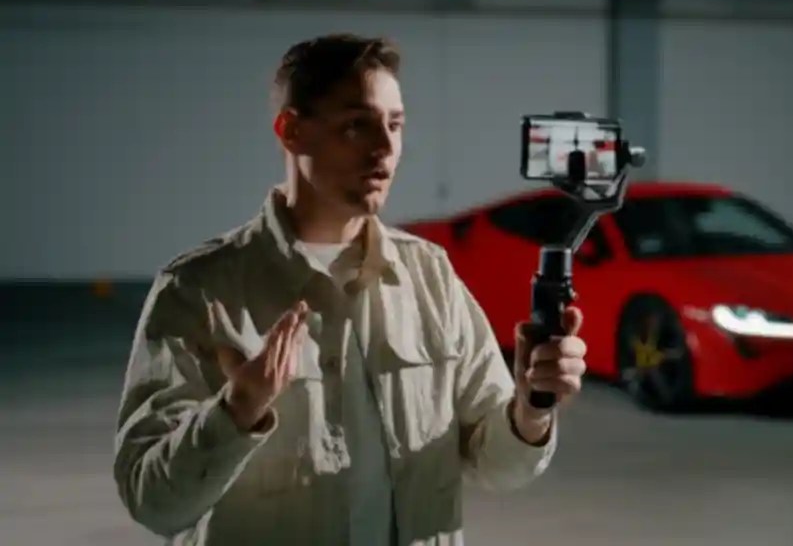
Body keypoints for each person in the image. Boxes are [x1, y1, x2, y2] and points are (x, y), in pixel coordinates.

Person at [112, 34, 587, 544]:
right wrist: (236, 411)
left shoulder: (430, 278)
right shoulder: (199, 291)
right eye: (357, 124)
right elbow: (153, 501)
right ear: (291, 130)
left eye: (395, 124)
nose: (385, 147)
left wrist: (531, 410)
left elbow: (500, 468)